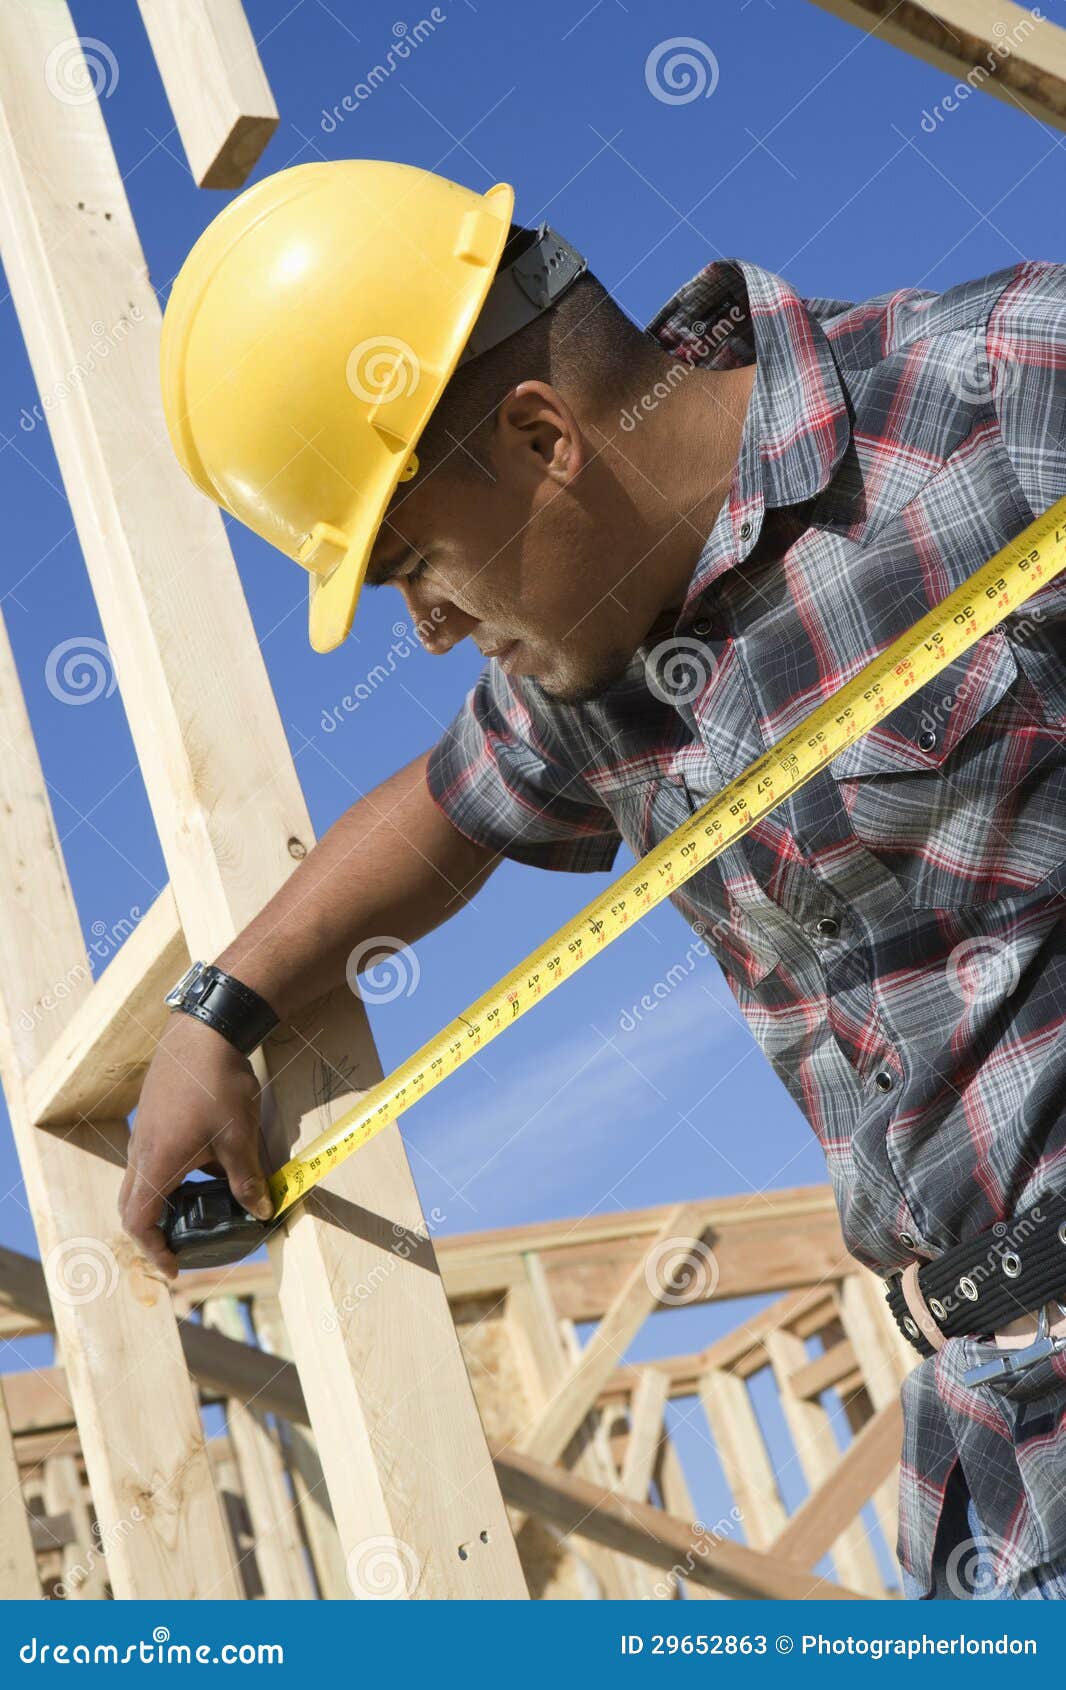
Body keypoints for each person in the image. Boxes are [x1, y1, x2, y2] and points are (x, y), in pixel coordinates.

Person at [120, 159, 1065, 1599]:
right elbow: (440, 816)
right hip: (984, 1439)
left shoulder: (1000, 395)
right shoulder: (592, 666)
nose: (429, 630)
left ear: (543, 432)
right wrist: (217, 1008)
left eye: (414, 565)